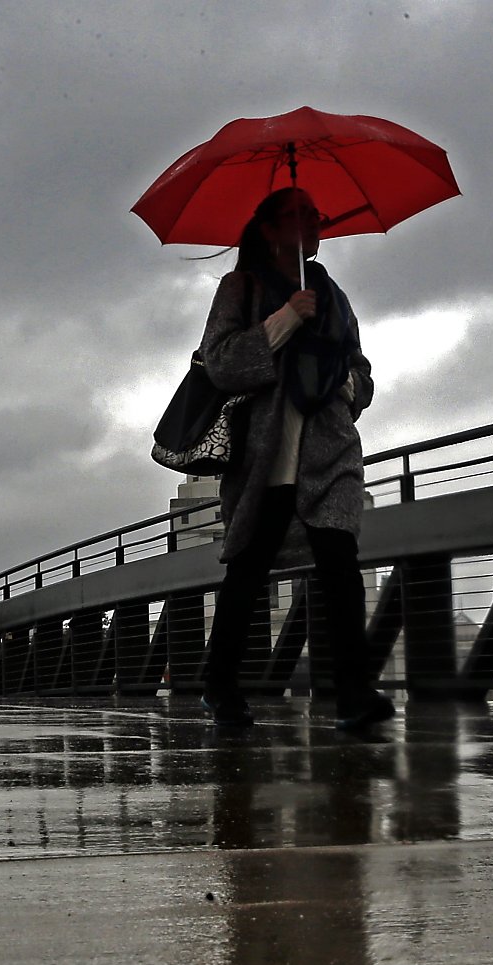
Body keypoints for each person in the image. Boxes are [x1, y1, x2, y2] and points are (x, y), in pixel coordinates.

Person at [195, 187, 396, 730]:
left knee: (340, 566)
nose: (312, 221)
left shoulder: (334, 294)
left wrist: (348, 390)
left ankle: (353, 692)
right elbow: (221, 363)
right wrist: (284, 318)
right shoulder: (241, 287)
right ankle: (219, 685)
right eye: (298, 214)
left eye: (316, 212)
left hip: (329, 453)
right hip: (265, 456)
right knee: (248, 571)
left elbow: (363, 369)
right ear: (269, 228)